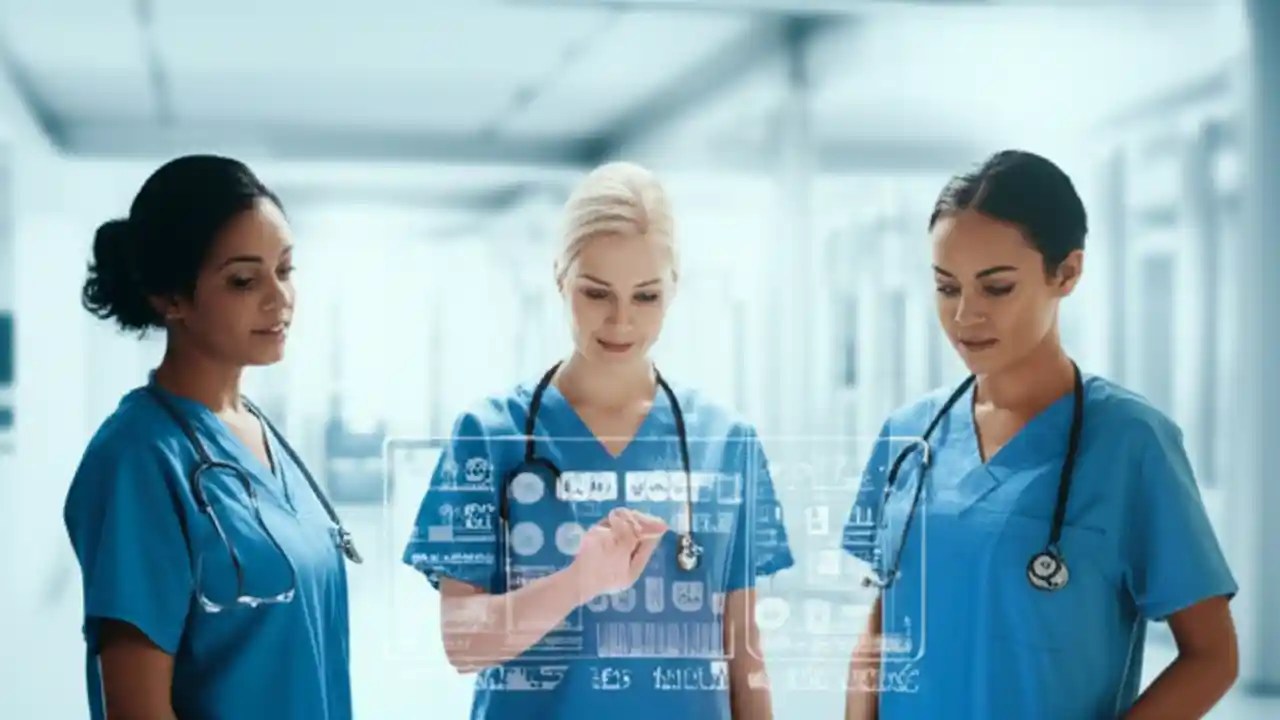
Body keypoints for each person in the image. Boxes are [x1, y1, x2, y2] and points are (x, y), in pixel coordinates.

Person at [841, 150, 1239, 719]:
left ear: (1067, 273)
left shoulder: (1131, 443)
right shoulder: (908, 436)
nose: (964, 317)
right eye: (947, 288)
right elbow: (882, 622)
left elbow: (1212, 656)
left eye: (996, 288)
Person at [403, 161, 794, 719]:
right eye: (596, 293)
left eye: (646, 296)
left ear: (674, 288)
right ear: (559, 277)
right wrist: (579, 582)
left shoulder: (725, 441)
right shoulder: (490, 436)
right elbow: (462, 641)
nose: (620, 321)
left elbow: (745, 653)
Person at [64, 155, 358, 720]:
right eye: (244, 280)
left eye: (286, 269)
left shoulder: (262, 434)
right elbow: (136, 710)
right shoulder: (139, 460)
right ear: (169, 297)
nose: (279, 298)